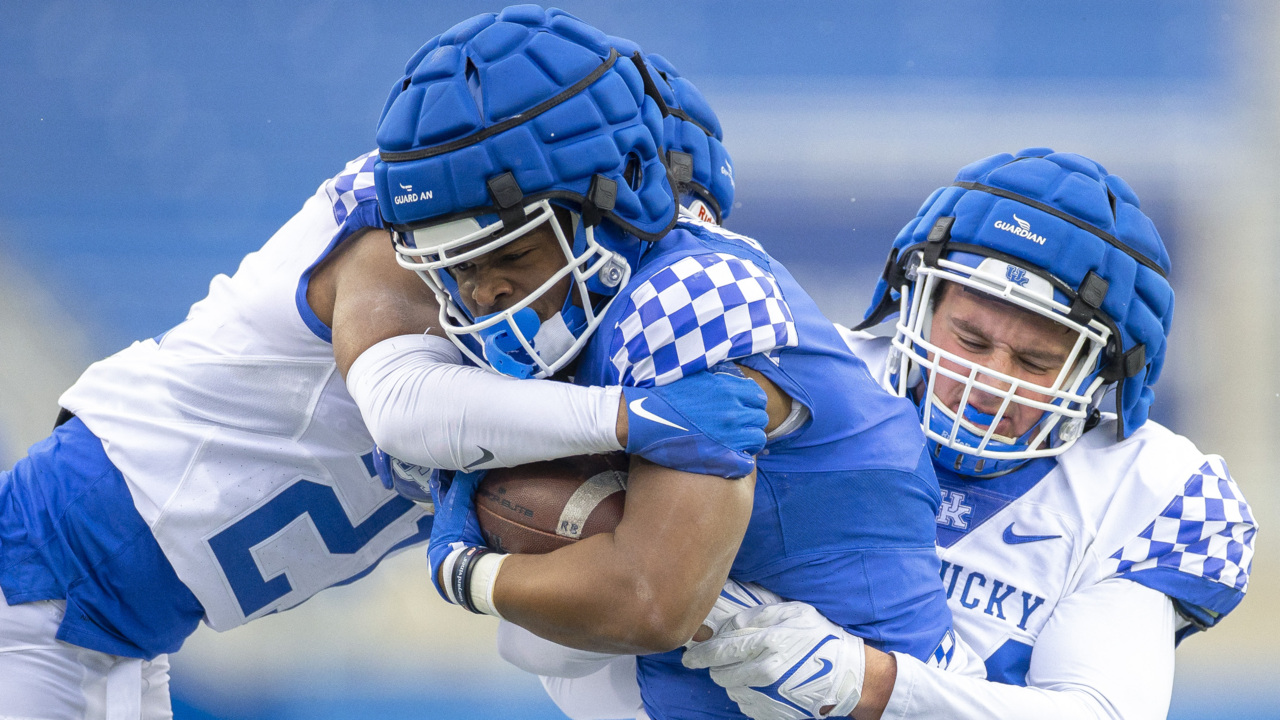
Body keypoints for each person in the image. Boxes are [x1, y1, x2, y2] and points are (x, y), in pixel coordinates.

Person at [0, 8, 768, 718]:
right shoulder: (406, 237)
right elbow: (405, 410)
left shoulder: (558, 314)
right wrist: (633, 420)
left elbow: (599, 604)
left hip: (119, 627)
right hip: (41, 583)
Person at [369, 9, 961, 720]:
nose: (483, 292)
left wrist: (464, 571)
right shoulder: (555, 299)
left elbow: (648, 602)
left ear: (624, 191)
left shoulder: (690, 295)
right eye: (455, 267)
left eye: (513, 254)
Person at [676, 149, 1258, 719]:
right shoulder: (802, 374)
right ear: (918, 302)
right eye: (971, 341)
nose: (988, 383)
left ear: (1101, 373)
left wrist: (870, 684)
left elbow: (1099, 711)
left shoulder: (1145, 490)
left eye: (1033, 361)